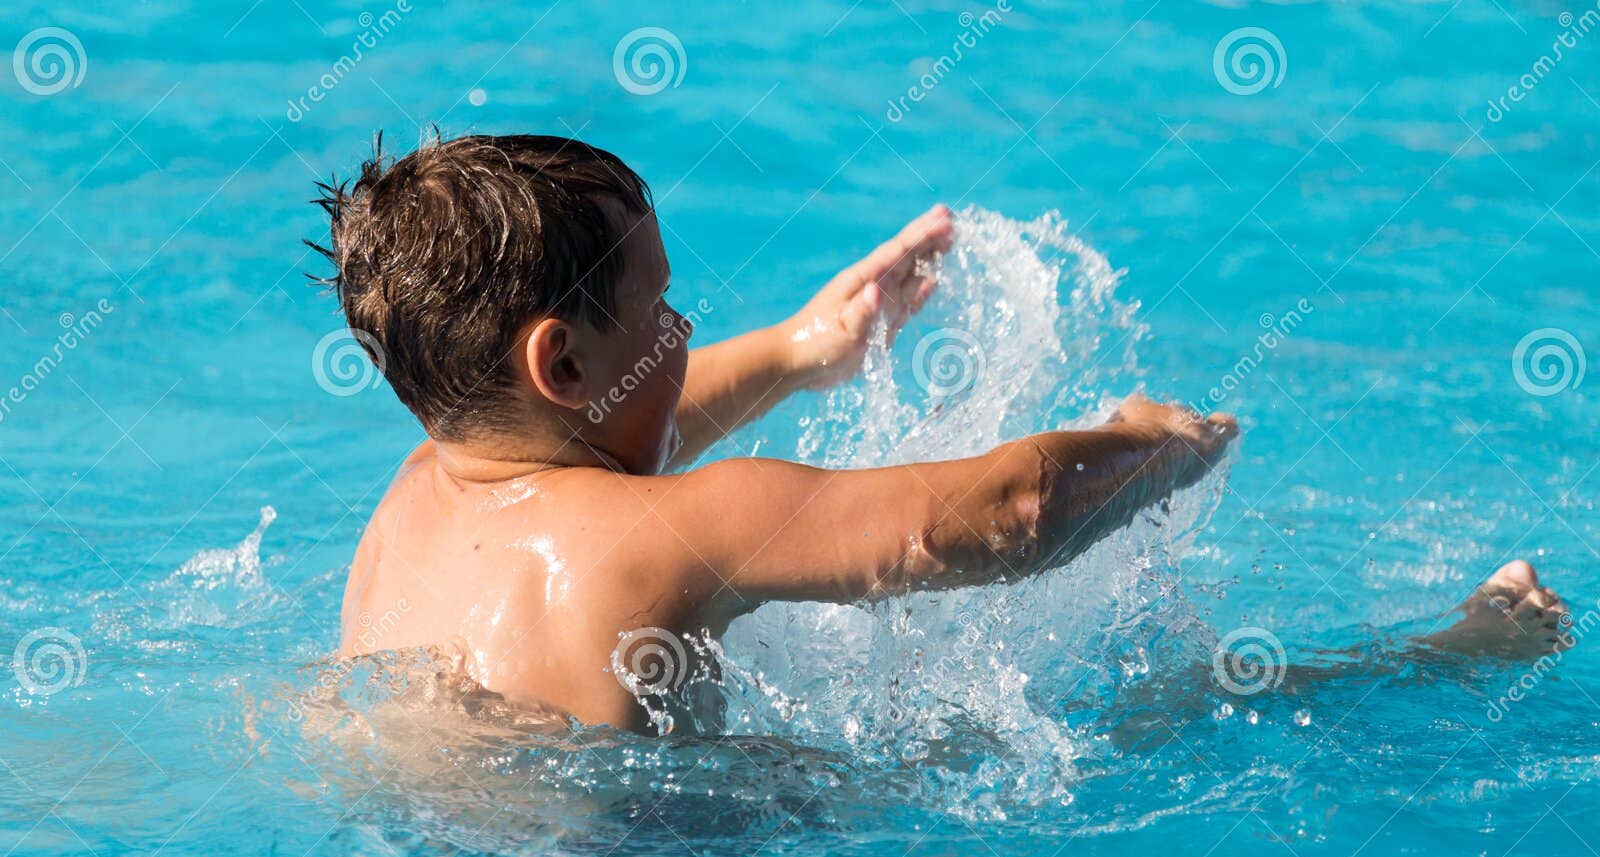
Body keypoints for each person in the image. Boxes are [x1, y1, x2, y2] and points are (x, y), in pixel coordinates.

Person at [315, 134, 1566, 734]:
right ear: (564, 357)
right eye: (663, 305)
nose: (688, 326)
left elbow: (619, 442)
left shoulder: (427, 491)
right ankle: (1450, 656)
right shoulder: (664, 535)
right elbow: (989, 519)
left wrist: (806, 352)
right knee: (1153, 709)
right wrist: (1145, 445)